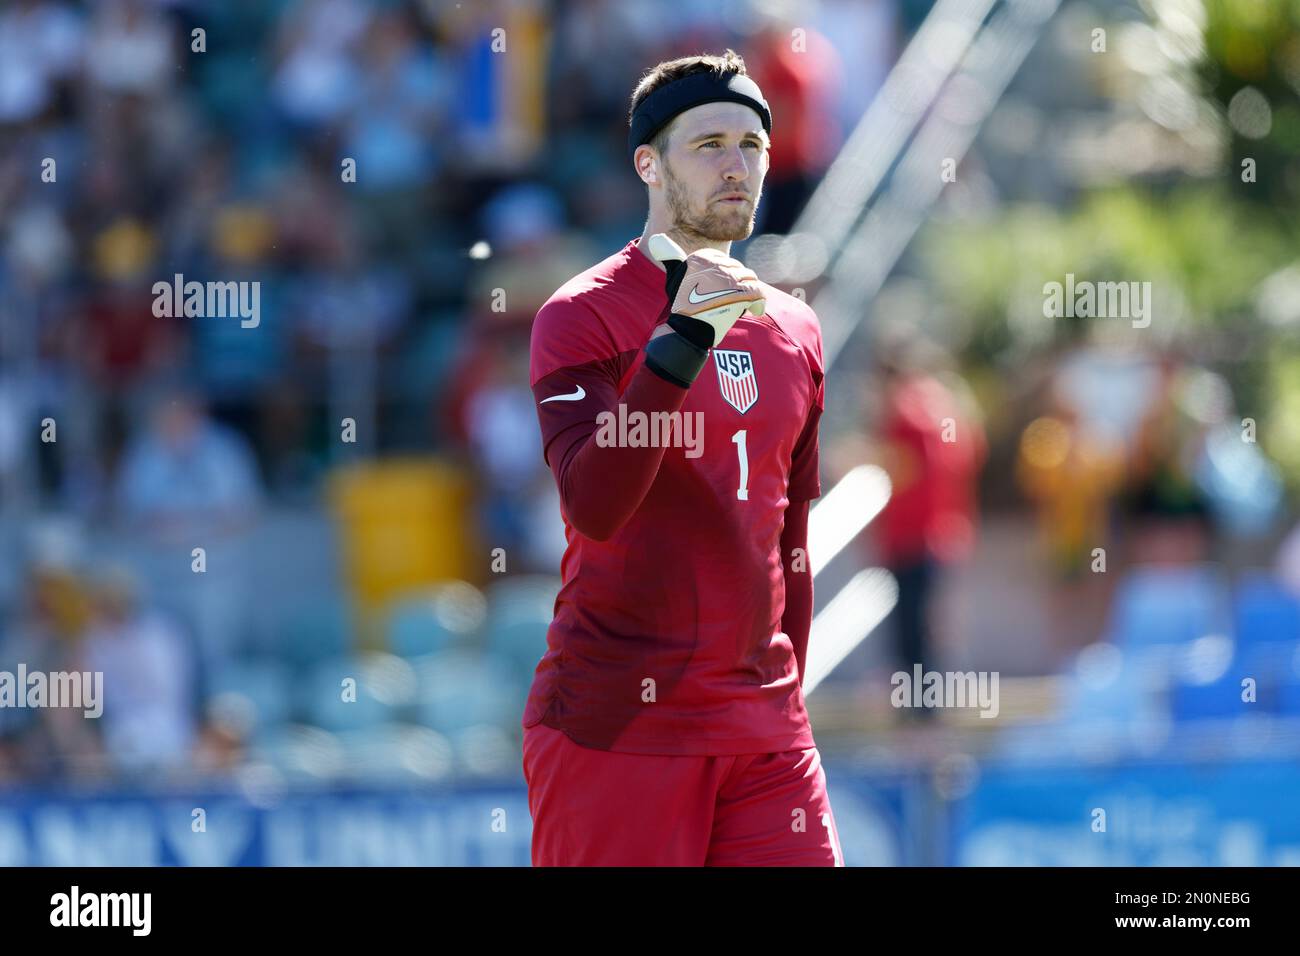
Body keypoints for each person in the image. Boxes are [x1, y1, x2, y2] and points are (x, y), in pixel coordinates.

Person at [522, 50, 841, 866]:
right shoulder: (580, 315)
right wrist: (682, 342)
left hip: (763, 728)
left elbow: (790, 536)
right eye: (709, 145)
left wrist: (786, 698)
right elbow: (595, 502)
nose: (738, 166)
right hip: (618, 724)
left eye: (752, 145)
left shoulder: (795, 328)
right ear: (648, 164)